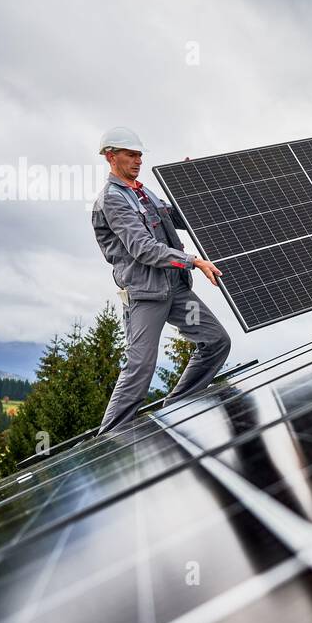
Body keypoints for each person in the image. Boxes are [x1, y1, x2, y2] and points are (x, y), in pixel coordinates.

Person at [90, 127, 231, 435]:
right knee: (139, 368)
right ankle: (109, 439)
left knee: (216, 341)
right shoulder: (112, 200)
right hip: (145, 295)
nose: (138, 160)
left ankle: (177, 408)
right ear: (111, 157)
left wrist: (187, 187)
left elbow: (178, 219)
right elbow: (142, 248)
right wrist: (193, 261)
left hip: (175, 289)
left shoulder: (145, 193)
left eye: (140, 155)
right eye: (131, 155)